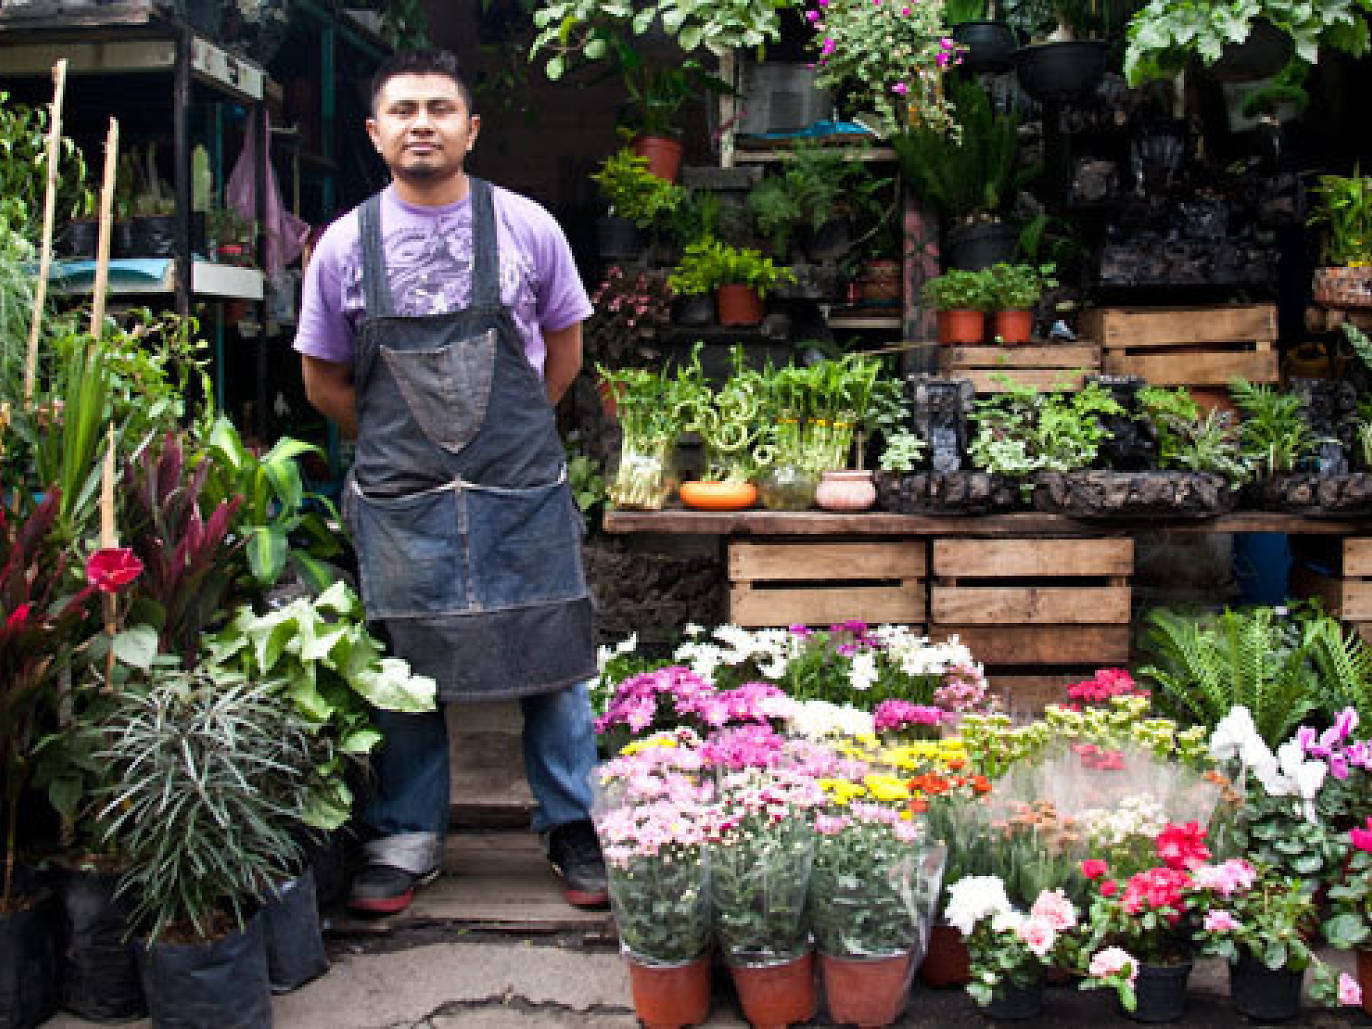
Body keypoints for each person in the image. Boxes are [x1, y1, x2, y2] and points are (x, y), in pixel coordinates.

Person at [293, 49, 606, 916]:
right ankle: (407, 832)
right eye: (403, 111)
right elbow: (323, 381)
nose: (421, 123)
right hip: (402, 493)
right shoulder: (342, 248)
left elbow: (565, 348)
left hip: (519, 480)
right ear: (375, 132)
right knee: (405, 658)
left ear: (470, 128)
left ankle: (574, 823)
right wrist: (403, 445)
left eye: (439, 108)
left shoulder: (527, 227)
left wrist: (502, 440)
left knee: (551, 647)